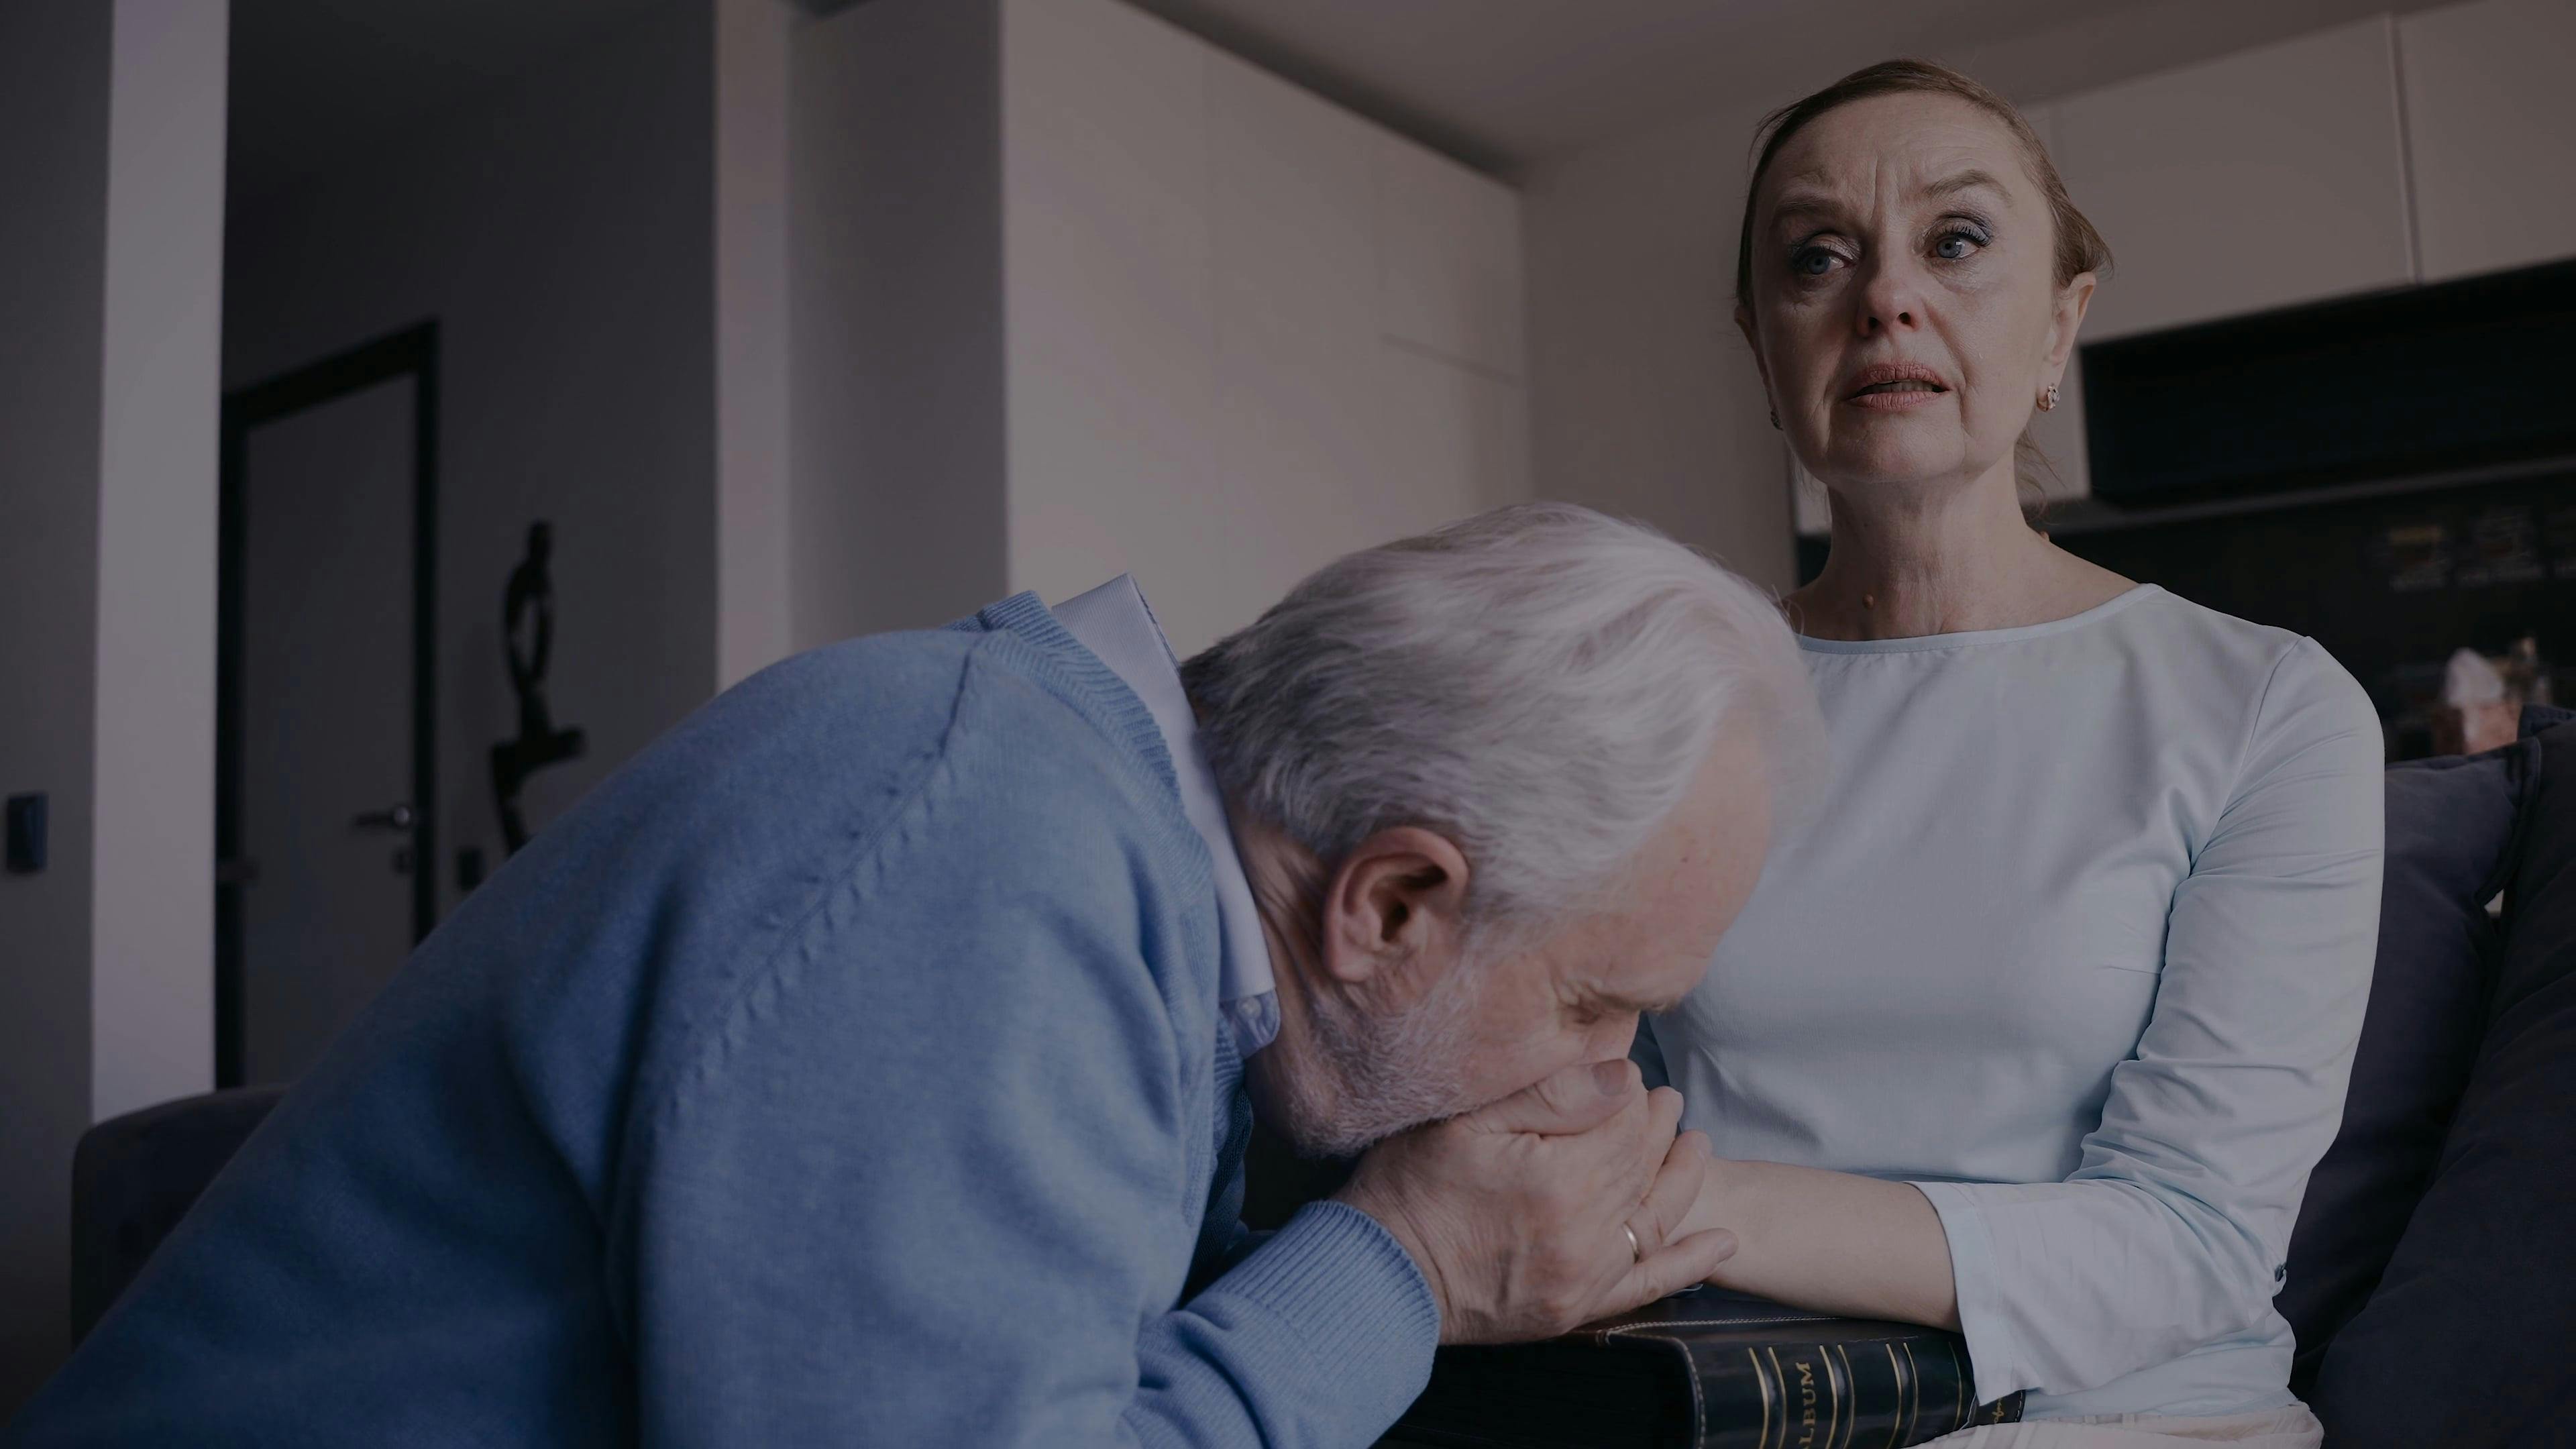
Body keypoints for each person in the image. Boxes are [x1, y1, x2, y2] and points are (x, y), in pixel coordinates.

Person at [7, 504, 1818, 1449]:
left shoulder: (1119, 879)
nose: (1603, 1077)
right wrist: (1407, 1266)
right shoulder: (978, 846)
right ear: (1393, 905)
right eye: (1594, 1004)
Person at [1633, 61, 2387, 1448]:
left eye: (1958, 240)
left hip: (2139, 1424)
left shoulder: (2269, 706)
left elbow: (2192, 1239)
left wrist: (1693, 1207)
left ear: (2060, 325)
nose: (1885, 298)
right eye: (1817, 258)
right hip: (1742, 1412)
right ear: (1763, 350)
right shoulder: (1657, 705)